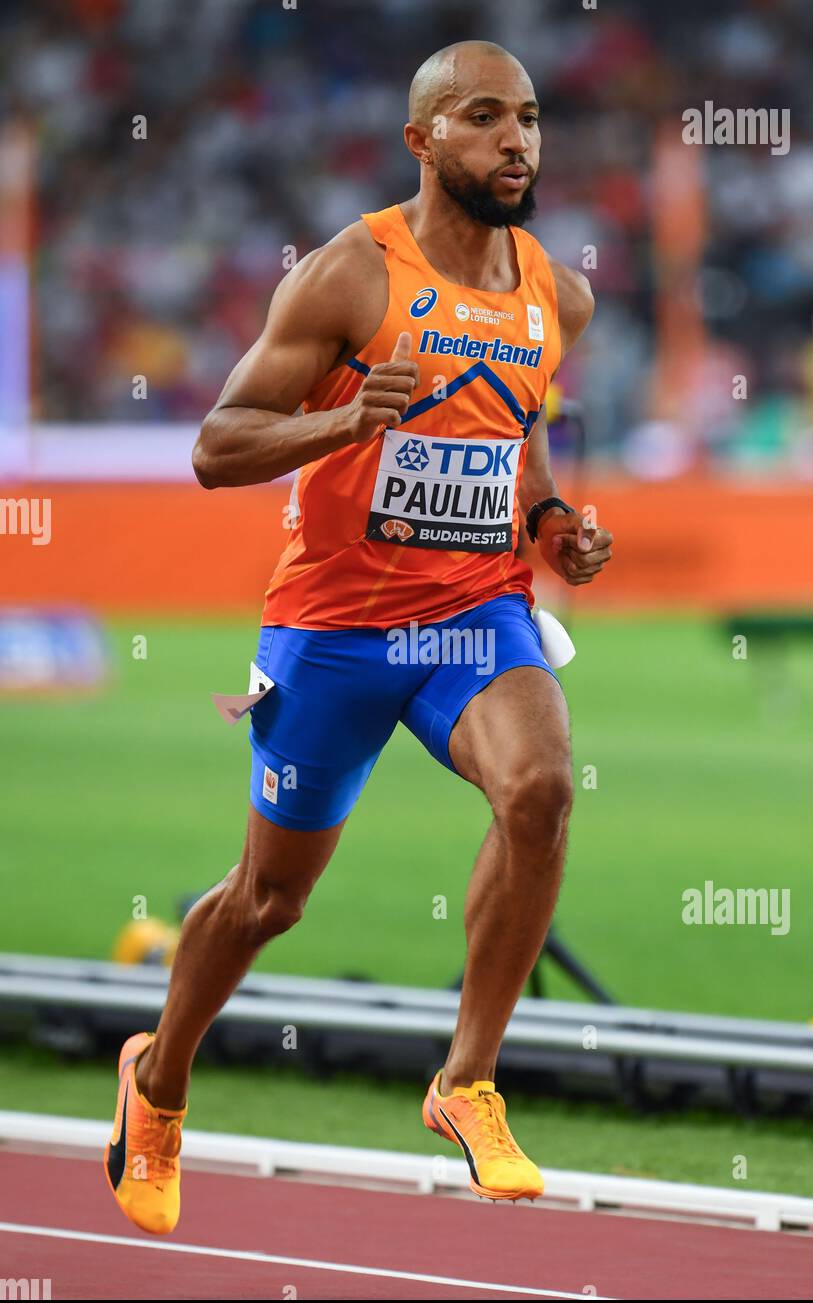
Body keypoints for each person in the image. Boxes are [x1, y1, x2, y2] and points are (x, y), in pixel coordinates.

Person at [104, 39, 613, 1235]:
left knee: (538, 788)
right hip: (332, 627)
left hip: (471, 611)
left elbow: (517, 431)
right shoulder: (349, 276)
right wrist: (337, 423)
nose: (516, 141)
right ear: (422, 140)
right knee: (269, 900)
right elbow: (216, 445)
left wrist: (548, 523)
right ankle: (160, 1077)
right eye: (483, 117)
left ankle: (467, 1079)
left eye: (529, 118)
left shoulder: (557, 293)